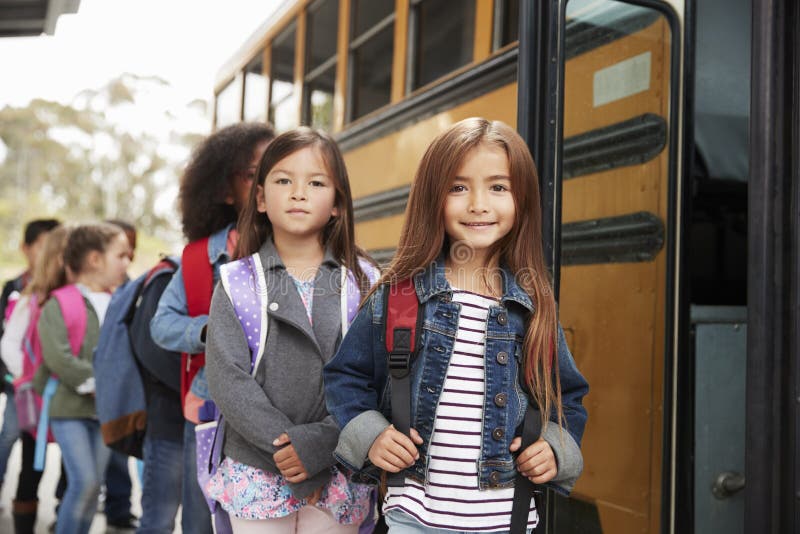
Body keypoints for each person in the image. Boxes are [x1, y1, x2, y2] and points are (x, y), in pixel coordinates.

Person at [323, 118, 590, 533]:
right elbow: (345, 376)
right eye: (458, 187)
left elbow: (567, 397)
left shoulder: (534, 306)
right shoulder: (399, 296)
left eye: (498, 187)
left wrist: (555, 449)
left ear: (522, 200)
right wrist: (371, 435)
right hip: (414, 518)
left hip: (509, 521)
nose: (478, 204)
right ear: (433, 197)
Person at [204, 127, 376, 533]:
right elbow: (229, 379)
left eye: (316, 183)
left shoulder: (364, 281)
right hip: (257, 467)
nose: (299, 192)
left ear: (337, 203)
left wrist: (320, 446)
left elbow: (374, 376)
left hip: (340, 467)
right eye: (284, 180)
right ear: (261, 198)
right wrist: (289, 448)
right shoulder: (237, 281)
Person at [150, 122, 274, 534]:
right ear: (225, 190)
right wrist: (211, 330)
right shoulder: (199, 257)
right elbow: (162, 324)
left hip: (282, 412)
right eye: (255, 171)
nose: (270, 178)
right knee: (202, 518)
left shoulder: (305, 245)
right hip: (209, 409)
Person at [35, 223, 130, 534]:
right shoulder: (59, 302)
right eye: (121, 255)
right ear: (94, 259)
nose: (127, 263)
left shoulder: (121, 300)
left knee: (94, 486)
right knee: (85, 481)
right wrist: (99, 384)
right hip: (69, 409)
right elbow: (58, 356)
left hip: (105, 411)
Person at [0, 224, 69, 533]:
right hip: (34, 396)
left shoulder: (80, 297)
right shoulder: (31, 297)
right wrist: (27, 378)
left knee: (73, 468)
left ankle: (64, 517)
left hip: (73, 400)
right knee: (30, 462)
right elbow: (9, 343)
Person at [101, 218, 139, 530]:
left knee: (119, 453)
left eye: (131, 251)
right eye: (121, 252)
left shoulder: (132, 288)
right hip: (96, 386)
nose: (128, 259)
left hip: (121, 383)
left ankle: (119, 508)